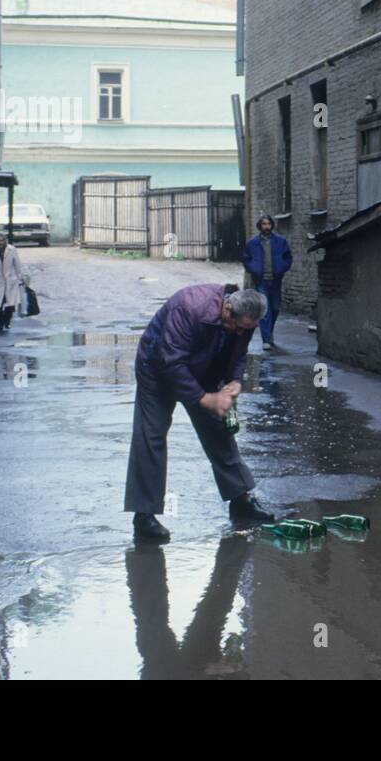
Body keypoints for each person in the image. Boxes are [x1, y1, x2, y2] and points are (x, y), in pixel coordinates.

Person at [124, 284, 275, 543]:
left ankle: (241, 501)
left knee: (219, 429)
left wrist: (235, 381)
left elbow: (239, 353)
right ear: (227, 307)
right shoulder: (189, 306)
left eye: (245, 330)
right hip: (157, 371)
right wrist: (204, 398)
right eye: (236, 326)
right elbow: (171, 362)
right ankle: (144, 517)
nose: (239, 332)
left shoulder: (244, 321)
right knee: (151, 437)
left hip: (202, 368)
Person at [241, 215, 293, 350]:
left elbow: (288, 258)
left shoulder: (281, 241)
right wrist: (254, 270)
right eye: (264, 224)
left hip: (275, 280)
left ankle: (269, 333)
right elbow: (246, 259)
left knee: (275, 308)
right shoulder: (252, 243)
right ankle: (266, 340)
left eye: (269, 224)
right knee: (265, 310)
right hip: (261, 281)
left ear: (272, 225)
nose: (267, 227)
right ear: (260, 226)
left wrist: (281, 269)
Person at [0, 230, 25, 333]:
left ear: (5, 241)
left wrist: (20, 278)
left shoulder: (12, 250)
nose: (0, 243)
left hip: (10, 281)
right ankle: (0, 322)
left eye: (2, 240)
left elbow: (17, 265)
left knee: (10, 304)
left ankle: (7, 321)